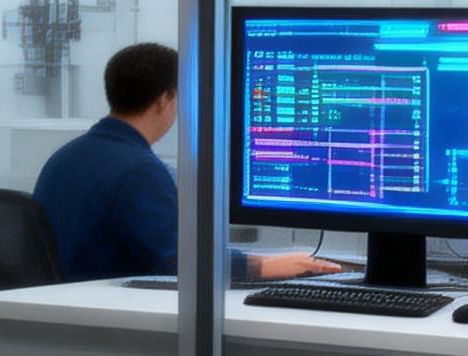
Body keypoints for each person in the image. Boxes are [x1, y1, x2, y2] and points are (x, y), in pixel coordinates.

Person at [35, 39, 338, 286]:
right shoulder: (140, 171)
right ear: (164, 100)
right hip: (115, 319)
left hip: (66, 311)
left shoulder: (64, 158)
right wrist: (262, 266)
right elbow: (178, 261)